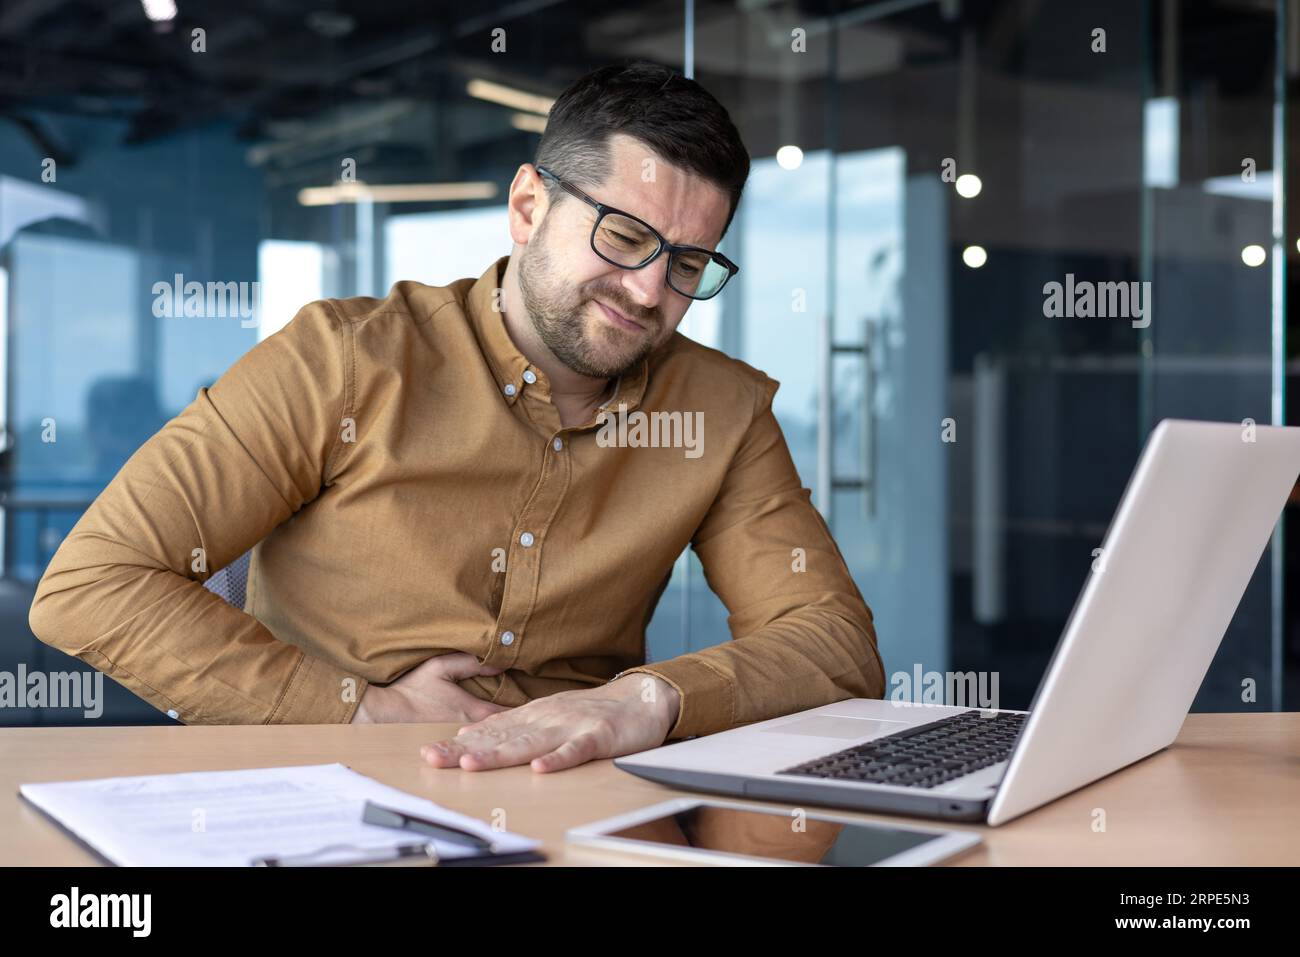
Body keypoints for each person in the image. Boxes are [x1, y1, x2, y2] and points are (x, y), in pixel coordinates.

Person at [29, 60, 884, 774]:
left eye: (688, 262)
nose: (649, 291)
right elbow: (92, 586)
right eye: (623, 238)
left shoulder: (722, 412)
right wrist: (360, 711)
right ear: (527, 207)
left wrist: (647, 699)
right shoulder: (344, 359)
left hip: (576, 806)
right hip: (320, 787)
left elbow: (834, 645)